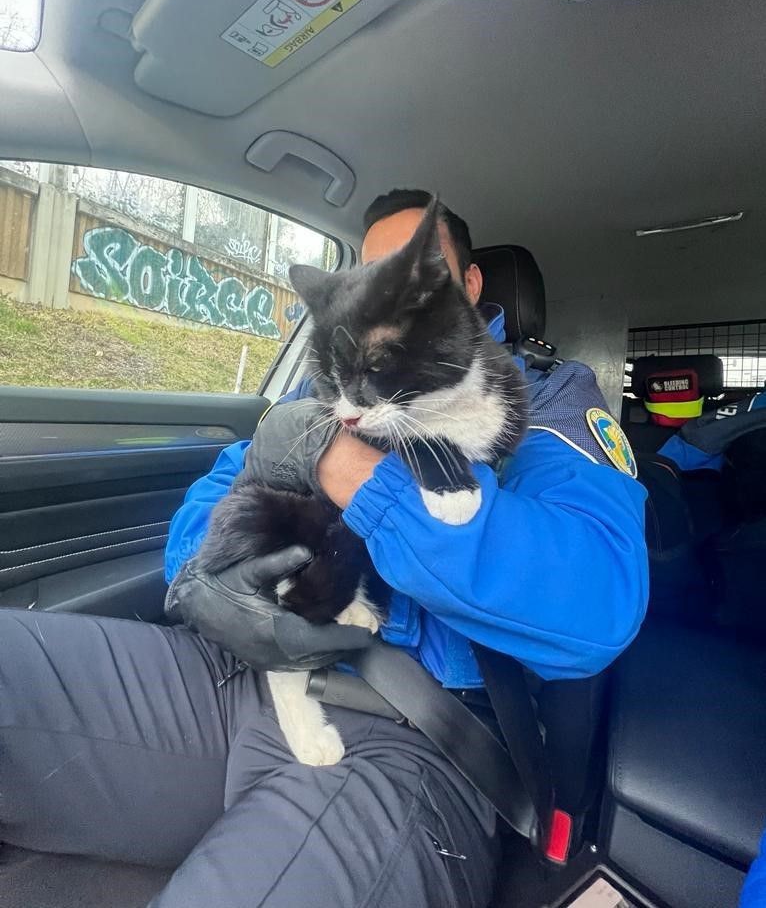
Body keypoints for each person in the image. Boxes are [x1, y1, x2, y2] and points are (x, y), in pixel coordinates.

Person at [0, 190, 649, 908]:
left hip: (413, 736)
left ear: (466, 286)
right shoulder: (342, 378)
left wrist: (356, 473)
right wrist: (212, 580)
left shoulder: (549, 402)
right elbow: (218, 492)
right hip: (238, 670)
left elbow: (597, 601)